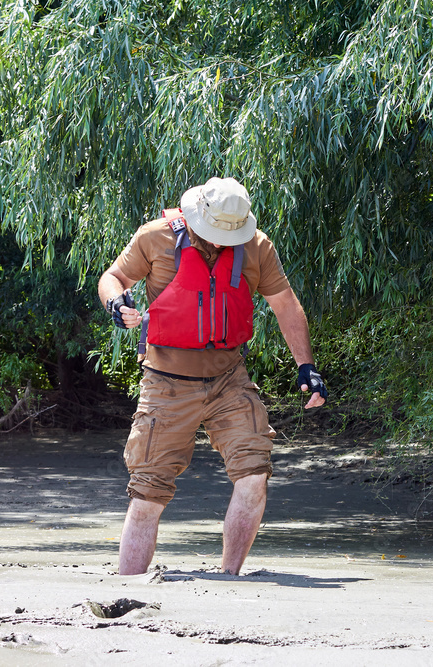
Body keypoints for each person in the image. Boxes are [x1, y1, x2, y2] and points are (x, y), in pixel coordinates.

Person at [97, 176, 327, 576]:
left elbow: (286, 306)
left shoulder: (257, 248)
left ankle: (229, 577)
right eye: (215, 232)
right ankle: (127, 589)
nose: (222, 241)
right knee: (148, 493)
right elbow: (112, 277)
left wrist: (306, 366)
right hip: (166, 381)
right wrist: (116, 303)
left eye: (229, 234)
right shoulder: (155, 238)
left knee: (254, 475)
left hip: (228, 377)